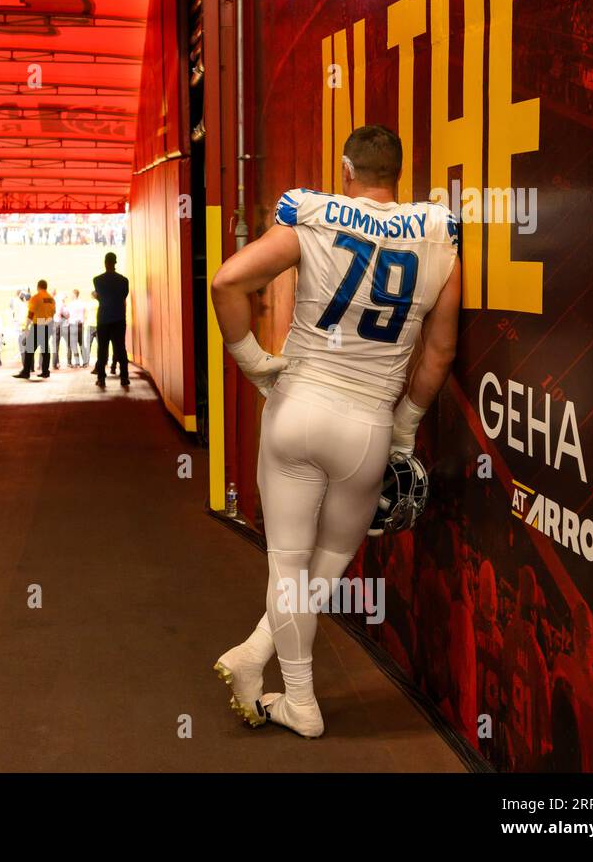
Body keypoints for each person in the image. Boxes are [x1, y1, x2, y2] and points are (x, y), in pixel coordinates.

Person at [209, 124, 461, 738]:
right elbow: (438, 353)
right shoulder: (438, 236)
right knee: (330, 562)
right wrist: (405, 428)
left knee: (287, 566)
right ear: (399, 172)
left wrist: (252, 361)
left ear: (348, 169)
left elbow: (226, 282)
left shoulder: (315, 215)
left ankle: (295, 694)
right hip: (369, 424)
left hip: (299, 403)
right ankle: (269, 672)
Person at [91, 252, 130, 388]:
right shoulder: (124, 281)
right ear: (115, 262)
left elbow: (101, 297)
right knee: (121, 348)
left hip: (103, 319)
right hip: (119, 318)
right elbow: (122, 296)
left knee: (102, 349)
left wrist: (97, 297)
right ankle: (124, 377)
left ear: (105, 263)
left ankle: (101, 378)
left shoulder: (97, 280)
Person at [14, 279, 55, 380]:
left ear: (38, 287)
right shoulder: (51, 298)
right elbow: (53, 312)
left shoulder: (36, 298)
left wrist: (27, 326)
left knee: (29, 349)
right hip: (49, 323)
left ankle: (26, 372)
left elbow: (31, 313)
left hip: (39, 324)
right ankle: (45, 371)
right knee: (45, 349)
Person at [66, 289, 87, 368]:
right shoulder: (82, 303)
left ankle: (77, 362)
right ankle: (85, 362)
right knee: (81, 343)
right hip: (80, 325)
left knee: (74, 345)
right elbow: (85, 313)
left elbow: (67, 314)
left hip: (73, 325)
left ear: (74, 295)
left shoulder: (71, 304)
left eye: (72, 294)